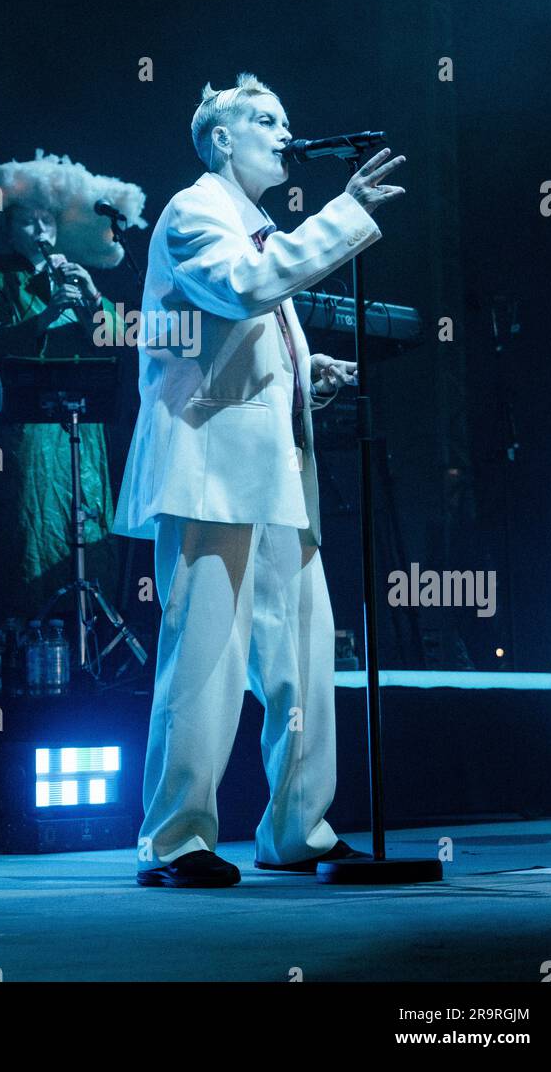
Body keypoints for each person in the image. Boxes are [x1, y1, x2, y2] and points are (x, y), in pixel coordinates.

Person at [113, 73, 405, 888]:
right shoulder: (194, 211)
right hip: (208, 474)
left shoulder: (252, 227)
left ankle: (297, 829)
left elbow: (244, 345)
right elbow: (241, 289)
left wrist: (311, 374)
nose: (286, 134)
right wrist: (345, 214)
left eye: (287, 119)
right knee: (203, 661)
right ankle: (175, 842)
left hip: (273, 479)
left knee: (303, 657)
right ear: (220, 141)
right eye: (268, 122)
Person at [0, 154, 146, 632]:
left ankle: (90, 638)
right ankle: (30, 637)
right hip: (31, 435)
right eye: (27, 220)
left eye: (46, 218)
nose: (40, 227)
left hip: (82, 430)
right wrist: (43, 314)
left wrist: (94, 302)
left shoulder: (77, 277)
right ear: (8, 231)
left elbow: (122, 342)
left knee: (87, 516)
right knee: (30, 528)